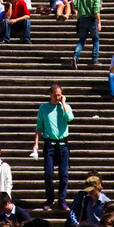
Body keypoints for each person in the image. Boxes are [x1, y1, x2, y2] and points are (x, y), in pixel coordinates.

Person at [36, 82, 74, 211]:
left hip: (63, 145)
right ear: (50, 94)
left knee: (64, 174)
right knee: (48, 173)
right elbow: (39, 127)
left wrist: (63, 104)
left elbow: (70, 118)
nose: (58, 97)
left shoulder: (65, 107)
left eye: (60, 95)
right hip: (50, 145)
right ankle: (50, 199)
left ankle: (62, 200)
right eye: (56, 95)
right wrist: (36, 143)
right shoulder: (43, 108)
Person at [72, 0, 101, 68]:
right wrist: (99, 22)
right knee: (95, 39)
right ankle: (94, 59)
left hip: (82, 19)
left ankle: (75, 56)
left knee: (81, 40)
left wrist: (79, 11)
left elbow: (75, 5)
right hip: (92, 20)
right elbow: (96, 11)